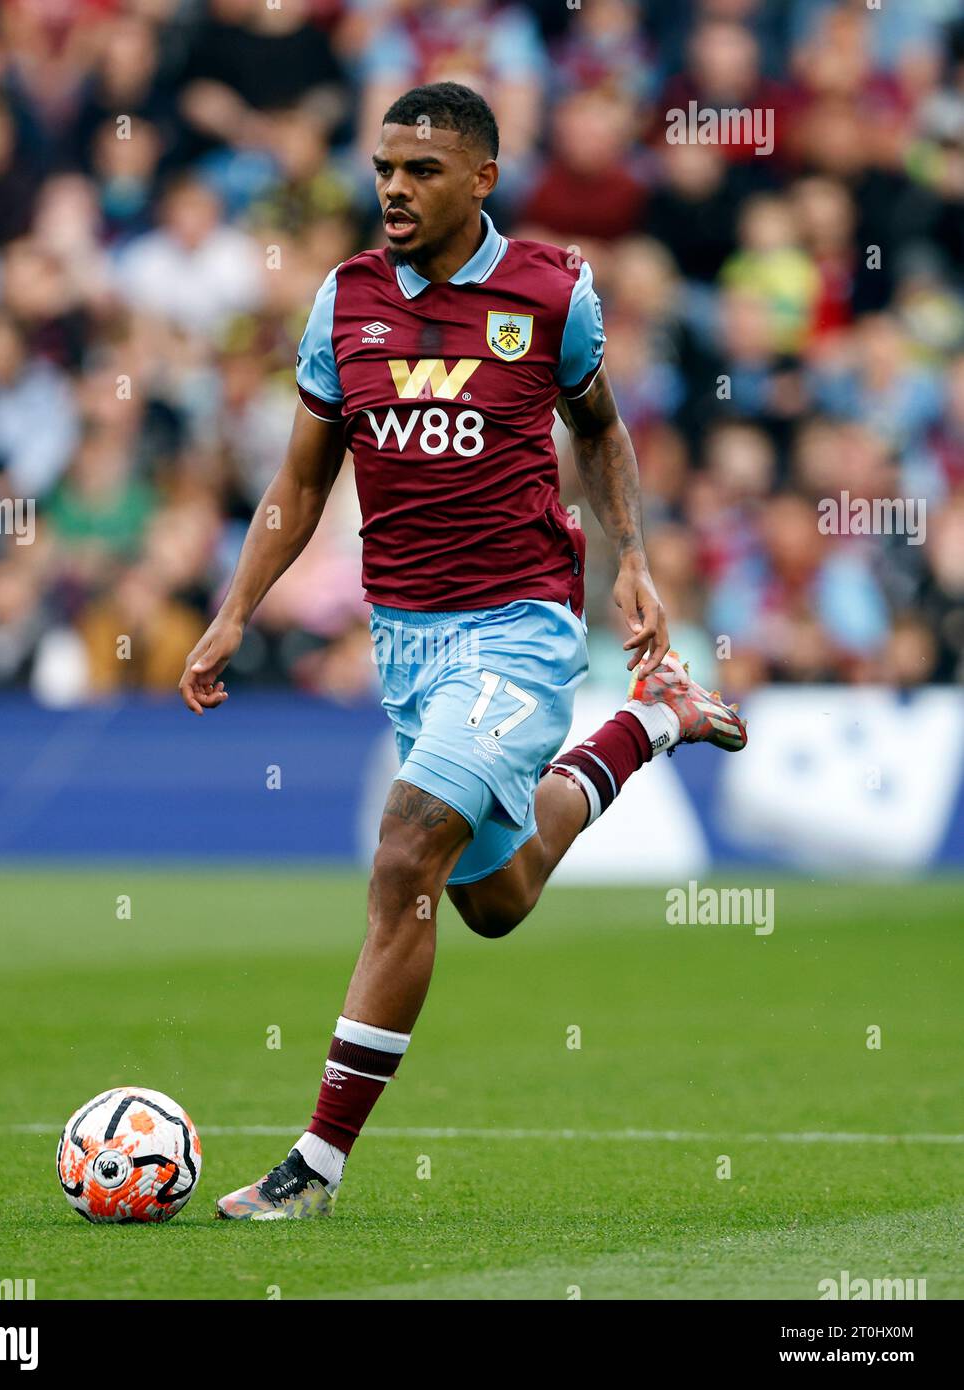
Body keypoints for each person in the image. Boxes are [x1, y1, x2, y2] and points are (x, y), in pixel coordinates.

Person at [177, 82, 747, 1220]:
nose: (394, 187)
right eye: (385, 167)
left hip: (520, 630)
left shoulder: (550, 292)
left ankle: (316, 1167)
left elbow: (601, 431)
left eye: (422, 170)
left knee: (401, 858)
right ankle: (648, 725)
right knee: (493, 897)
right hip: (406, 640)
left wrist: (631, 564)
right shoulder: (343, 302)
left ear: (481, 179)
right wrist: (237, 608)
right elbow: (300, 479)